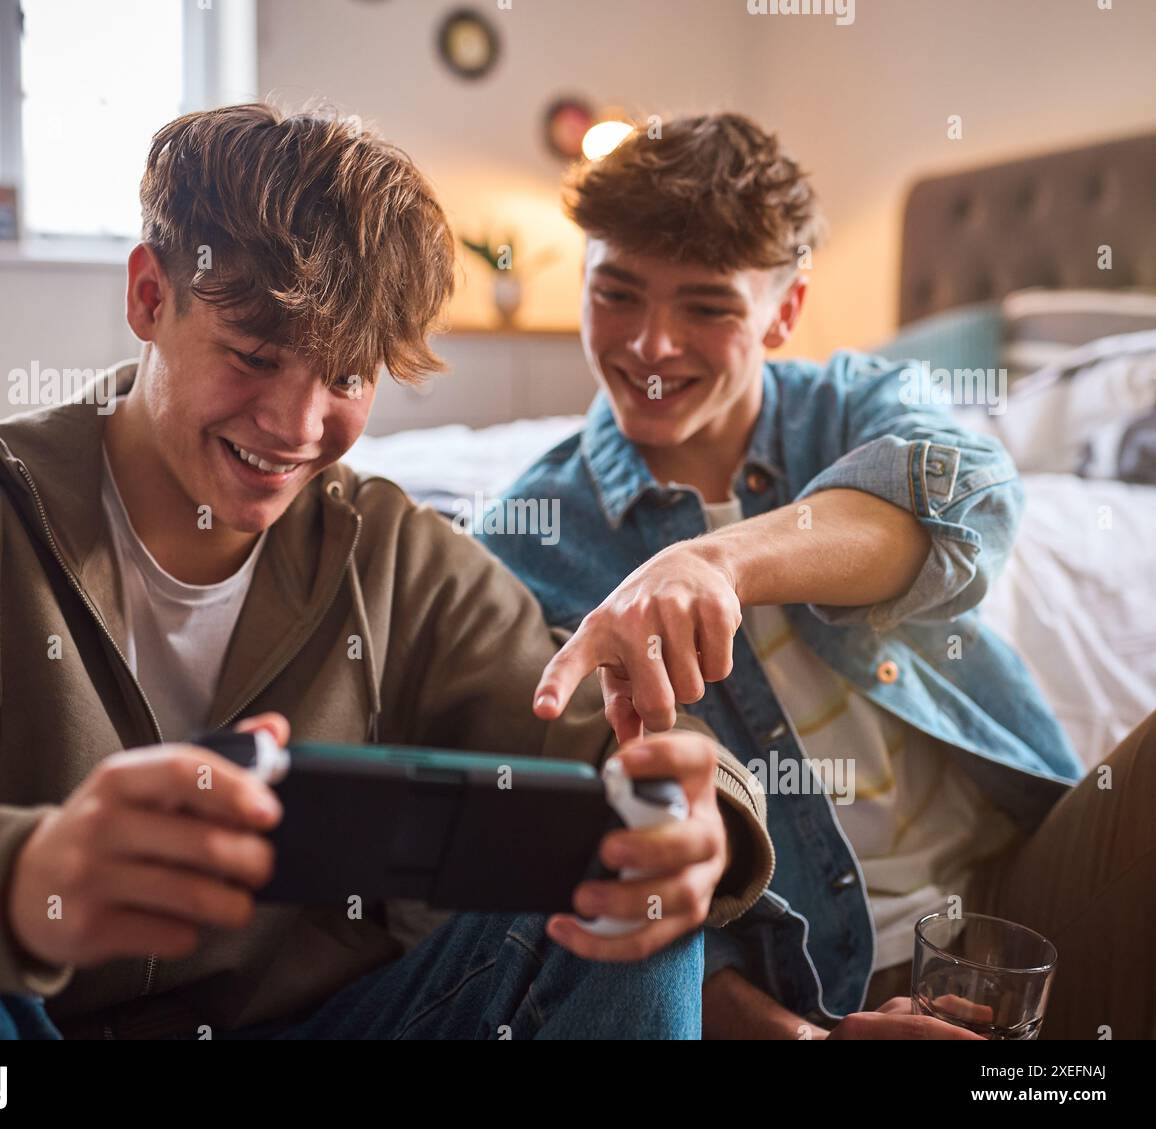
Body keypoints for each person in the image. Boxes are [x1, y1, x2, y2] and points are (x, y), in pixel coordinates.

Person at [0, 105, 775, 1041]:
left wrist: (699, 822)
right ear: (147, 296)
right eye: (255, 357)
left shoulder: (400, 560)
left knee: (632, 899)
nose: (299, 428)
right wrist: (26, 877)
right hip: (3, 1037)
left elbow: (602, 749)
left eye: (346, 378)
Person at [481, 112, 1156, 1040]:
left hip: (1018, 884)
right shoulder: (531, 541)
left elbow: (975, 504)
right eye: (618, 294)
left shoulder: (855, 403)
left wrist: (714, 560)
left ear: (784, 309)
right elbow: (629, 889)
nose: (649, 346)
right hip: (806, 973)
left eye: (707, 307)